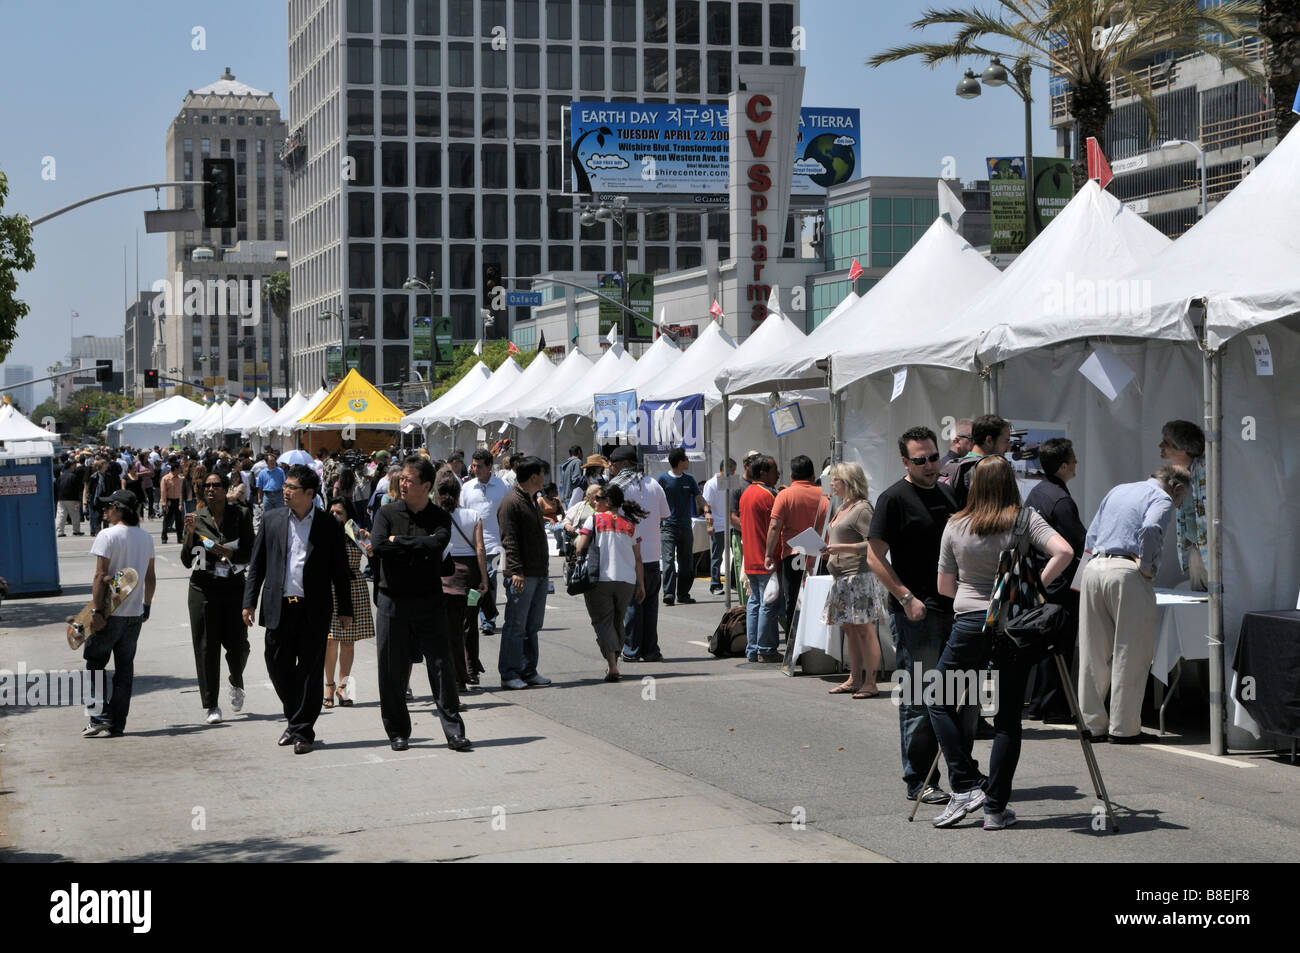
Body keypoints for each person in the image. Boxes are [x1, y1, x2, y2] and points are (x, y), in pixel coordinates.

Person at [928, 456, 1074, 829]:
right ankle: (994, 808)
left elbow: (944, 588)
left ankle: (963, 781)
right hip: (1013, 624)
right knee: (1008, 718)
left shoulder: (956, 524)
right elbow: (1066, 551)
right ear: (1011, 483)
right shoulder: (1024, 520)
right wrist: (1032, 583)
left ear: (973, 485)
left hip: (969, 622)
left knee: (938, 698)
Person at [866, 426, 959, 806]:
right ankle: (920, 779)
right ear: (905, 461)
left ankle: (962, 776)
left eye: (934, 457)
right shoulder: (893, 499)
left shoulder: (946, 493)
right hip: (916, 613)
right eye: (920, 460)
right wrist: (905, 597)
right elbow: (874, 556)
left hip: (952, 608)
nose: (929, 465)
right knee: (919, 697)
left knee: (953, 694)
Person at [242, 465, 353, 755]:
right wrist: (248, 601)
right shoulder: (272, 519)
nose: (285, 491)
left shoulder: (330, 525)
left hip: (313, 609)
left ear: (309, 494)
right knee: (277, 665)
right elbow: (258, 564)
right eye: (285, 486)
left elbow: (340, 571)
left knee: (309, 672)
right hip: (279, 607)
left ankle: (303, 731)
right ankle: (295, 719)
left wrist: (345, 608)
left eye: (291, 487)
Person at [1078, 464, 1191, 744]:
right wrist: (1148, 565)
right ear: (1176, 488)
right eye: (1181, 499)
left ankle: (1092, 725)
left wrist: (1082, 577)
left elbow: (1091, 535)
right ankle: (1124, 728)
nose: (1177, 504)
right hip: (1126, 572)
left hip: (1095, 568)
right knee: (1131, 651)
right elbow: (1152, 527)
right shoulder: (1162, 498)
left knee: (1093, 652)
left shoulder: (1119, 490)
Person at [370, 457, 472, 751]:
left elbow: (438, 544)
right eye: (402, 478)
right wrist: (418, 546)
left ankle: (454, 731)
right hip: (392, 602)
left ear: (426, 486)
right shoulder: (386, 513)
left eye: (409, 480)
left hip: (429, 601)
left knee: (441, 666)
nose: (403, 483)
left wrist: (398, 543)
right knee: (392, 670)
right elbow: (379, 547)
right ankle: (398, 732)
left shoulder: (439, 517)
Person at [181, 472, 255, 725]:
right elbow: (186, 560)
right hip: (203, 589)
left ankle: (236, 680)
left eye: (216, 485)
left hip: (234, 588)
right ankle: (211, 704)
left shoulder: (241, 515)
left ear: (226, 489)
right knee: (206, 648)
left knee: (239, 647)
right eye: (207, 486)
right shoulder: (196, 518)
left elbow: (250, 552)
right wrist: (190, 535)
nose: (211, 489)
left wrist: (229, 553)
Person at [81, 491, 157, 738]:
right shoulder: (146, 538)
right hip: (134, 614)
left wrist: (95, 611)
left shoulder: (107, 535)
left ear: (120, 509)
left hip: (109, 613)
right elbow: (149, 577)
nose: (105, 511)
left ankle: (99, 718)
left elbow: (99, 575)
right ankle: (117, 724)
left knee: (95, 664)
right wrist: (146, 605)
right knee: (124, 669)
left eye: (109, 506)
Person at [1023, 438, 1087, 723]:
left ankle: (1038, 703)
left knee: (1044, 645)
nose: (1076, 464)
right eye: (1073, 460)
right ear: (1063, 466)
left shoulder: (1037, 492)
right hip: (1061, 582)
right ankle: (1053, 706)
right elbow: (1080, 541)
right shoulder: (1060, 500)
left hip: (1040, 576)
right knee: (1059, 645)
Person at [821, 463, 882, 699]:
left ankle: (870, 682)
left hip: (857, 576)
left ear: (848, 481)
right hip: (842, 578)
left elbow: (875, 543)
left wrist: (841, 547)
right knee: (851, 630)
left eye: (835, 479)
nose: (832, 483)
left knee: (864, 630)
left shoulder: (861, 508)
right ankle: (855, 678)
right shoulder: (844, 506)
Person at [575, 484, 648, 682]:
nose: (595, 502)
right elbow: (639, 558)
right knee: (618, 621)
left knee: (603, 622)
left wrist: (578, 542)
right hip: (627, 581)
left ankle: (613, 665)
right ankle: (612, 662)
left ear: (608, 502)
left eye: (598, 498)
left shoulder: (594, 520)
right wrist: (641, 584)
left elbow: (579, 547)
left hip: (601, 579)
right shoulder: (631, 524)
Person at [607, 446, 671, 663]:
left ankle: (632, 650)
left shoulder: (617, 487)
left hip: (629, 556)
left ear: (623, 464)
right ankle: (651, 650)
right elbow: (664, 516)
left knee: (632, 606)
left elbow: (607, 517)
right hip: (653, 556)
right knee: (651, 607)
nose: (611, 469)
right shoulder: (654, 484)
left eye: (613, 465)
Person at [496, 455, 553, 690]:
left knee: (532, 626)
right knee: (516, 625)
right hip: (522, 574)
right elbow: (509, 540)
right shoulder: (511, 502)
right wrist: (516, 572)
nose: (544, 478)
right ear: (533, 476)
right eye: (542, 474)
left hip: (538, 572)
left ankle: (528, 670)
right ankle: (509, 673)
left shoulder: (532, 499)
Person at [437, 472, 490, 690]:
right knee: (469, 624)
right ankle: (470, 670)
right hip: (470, 577)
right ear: (460, 493)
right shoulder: (472, 515)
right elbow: (480, 548)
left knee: (448, 629)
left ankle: (455, 676)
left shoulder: (435, 516)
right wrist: (484, 578)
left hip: (444, 575)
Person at [765, 454, 828, 632]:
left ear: (792, 476)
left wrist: (769, 554)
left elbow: (774, 527)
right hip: (819, 554)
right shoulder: (825, 495)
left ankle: (794, 640)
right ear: (812, 473)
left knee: (792, 598)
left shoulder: (785, 495)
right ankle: (817, 637)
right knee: (819, 597)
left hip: (793, 554)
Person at [323, 496, 376, 709]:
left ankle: (344, 687)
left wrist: (369, 542)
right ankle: (328, 685)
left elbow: (372, 555)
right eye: (332, 512)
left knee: (348, 642)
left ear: (348, 517)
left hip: (354, 588)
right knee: (330, 640)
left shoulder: (356, 533)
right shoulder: (323, 534)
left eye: (340, 513)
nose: (335, 516)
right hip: (330, 588)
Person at [739, 455, 783, 662]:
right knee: (767, 604)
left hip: (751, 558)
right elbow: (775, 527)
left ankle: (754, 648)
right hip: (766, 559)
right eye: (775, 470)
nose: (778, 474)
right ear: (763, 473)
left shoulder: (747, 493)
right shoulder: (768, 495)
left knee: (755, 603)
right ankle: (765, 648)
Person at [461, 449, 507, 637]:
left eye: (479, 466)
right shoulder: (467, 488)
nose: (475, 469)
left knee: (489, 580)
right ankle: (472, 615)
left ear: (489, 466)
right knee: (474, 583)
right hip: (471, 545)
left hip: (494, 543)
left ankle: (488, 619)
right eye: (473, 466)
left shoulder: (503, 486)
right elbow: (461, 513)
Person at [1160, 420, 1208, 591]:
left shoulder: (1208, 469)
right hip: (1199, 552)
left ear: (1184, 448)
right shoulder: (1186, 472)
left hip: (1213, 555)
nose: (1160, 446)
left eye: (1166, 443)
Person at [657, 448, 705, 606]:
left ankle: (683, 594)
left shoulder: (689, 479)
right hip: (668, 526)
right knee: (669, 560)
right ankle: (669, 593)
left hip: (685, 526)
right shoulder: (663, 479)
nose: (688, 462)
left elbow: (699, 497)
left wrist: (707, 510)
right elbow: (656, 500)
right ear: (680, 462)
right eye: (686, 459)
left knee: (686, 563)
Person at [940, 414, 1011, 509]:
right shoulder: (993, 470)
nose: (1008, 446)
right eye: (1006, 441)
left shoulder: (952, 464)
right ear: (989, 440)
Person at [701, 458, 736, 595]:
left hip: (732, 524)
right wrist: (709, 525)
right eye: (732, 469)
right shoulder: (711, 484)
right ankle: (715, 585)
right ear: (726, 468)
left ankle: (733, 582)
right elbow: (706, 505)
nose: (734, 472)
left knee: (737, 554)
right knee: (717, 556)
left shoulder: (732, 481)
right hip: (718, 525)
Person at [55, 457, 86, 537]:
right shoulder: (73, 476)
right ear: (71, 466)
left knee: (61, 515)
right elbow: (79, 487)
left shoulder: (61, 477)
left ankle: (59, 531)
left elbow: (57, 486)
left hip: (61, 499)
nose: (75, 466)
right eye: (74, 465)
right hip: (73, 499)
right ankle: (76, 531)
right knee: (75, 515)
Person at [159, 457, 185, 543]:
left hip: (177, 501)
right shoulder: (166, 478)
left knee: (179, 521)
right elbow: (163, 492)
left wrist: (181, 503)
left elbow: (181, 492)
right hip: (169, 501)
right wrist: (164, 503)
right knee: (167, 520)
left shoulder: (180, 479)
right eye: (179, 469)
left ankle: (180, 538)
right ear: (175, 469)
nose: (180, 471)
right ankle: (164, 537)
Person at [255, 449, 286, 515]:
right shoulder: (262, 473)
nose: (273, 462)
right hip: (267, 497)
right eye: (271, 461)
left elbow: (284, 485)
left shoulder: (280, 471)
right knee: (267, 515)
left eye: (274, 461)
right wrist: (259, 498)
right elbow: (260, 487)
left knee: (280, 514)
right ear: (266, 462)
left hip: (279, 496)